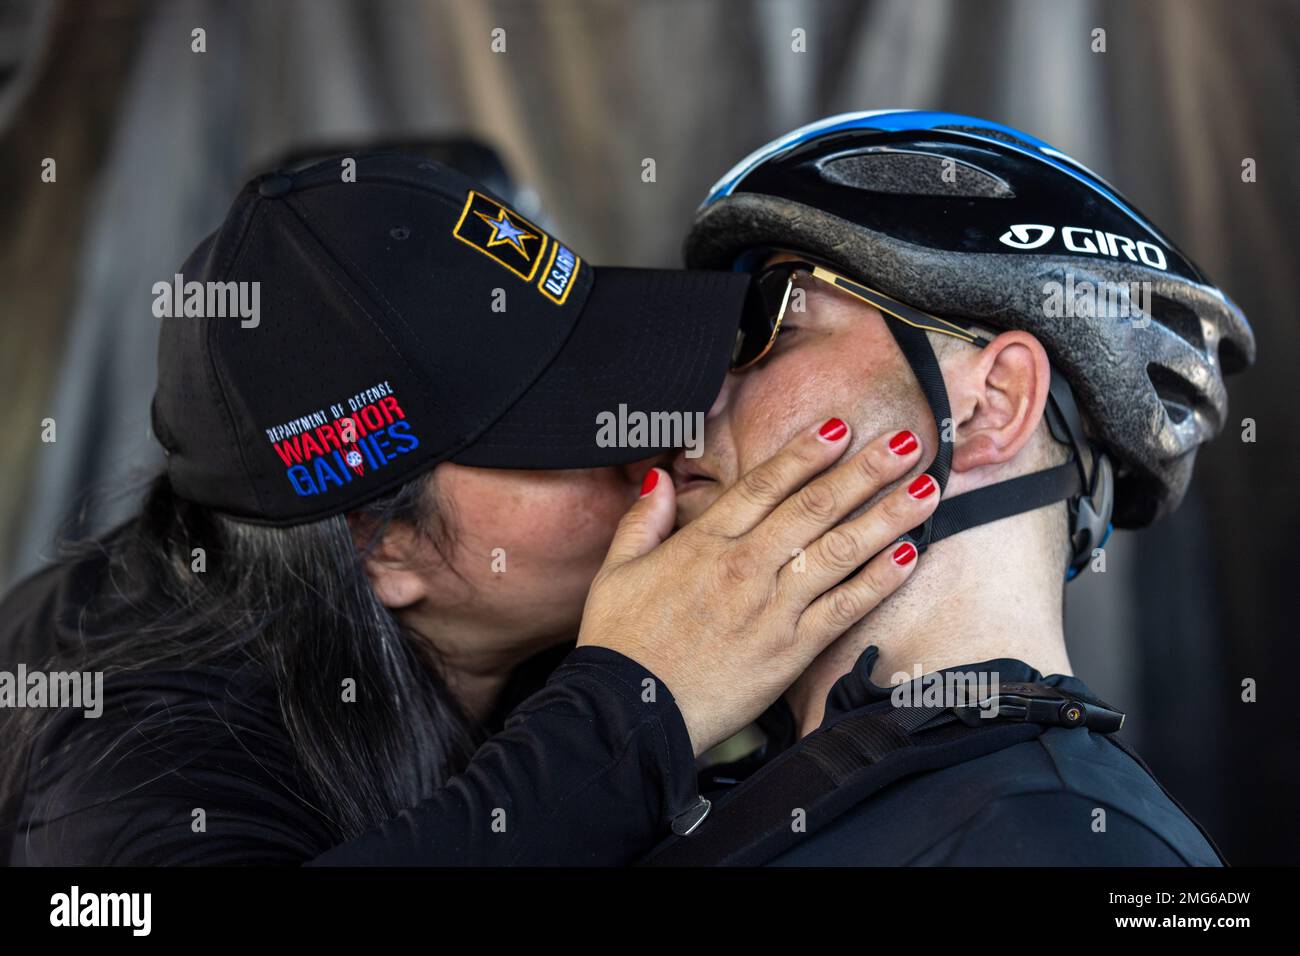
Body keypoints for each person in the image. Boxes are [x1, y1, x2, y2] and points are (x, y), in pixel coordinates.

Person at [0, 152, 940, 865]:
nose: (662, 434)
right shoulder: (129, 755)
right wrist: (637, 706)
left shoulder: (467, 635)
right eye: (573, 428)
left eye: (612, 357)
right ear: (383, 545)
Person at [641, 111, 1255, 866]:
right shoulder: (708, 793)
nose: (695, 402)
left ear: (991, 401)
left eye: (767, 322)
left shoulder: (1072, 842)